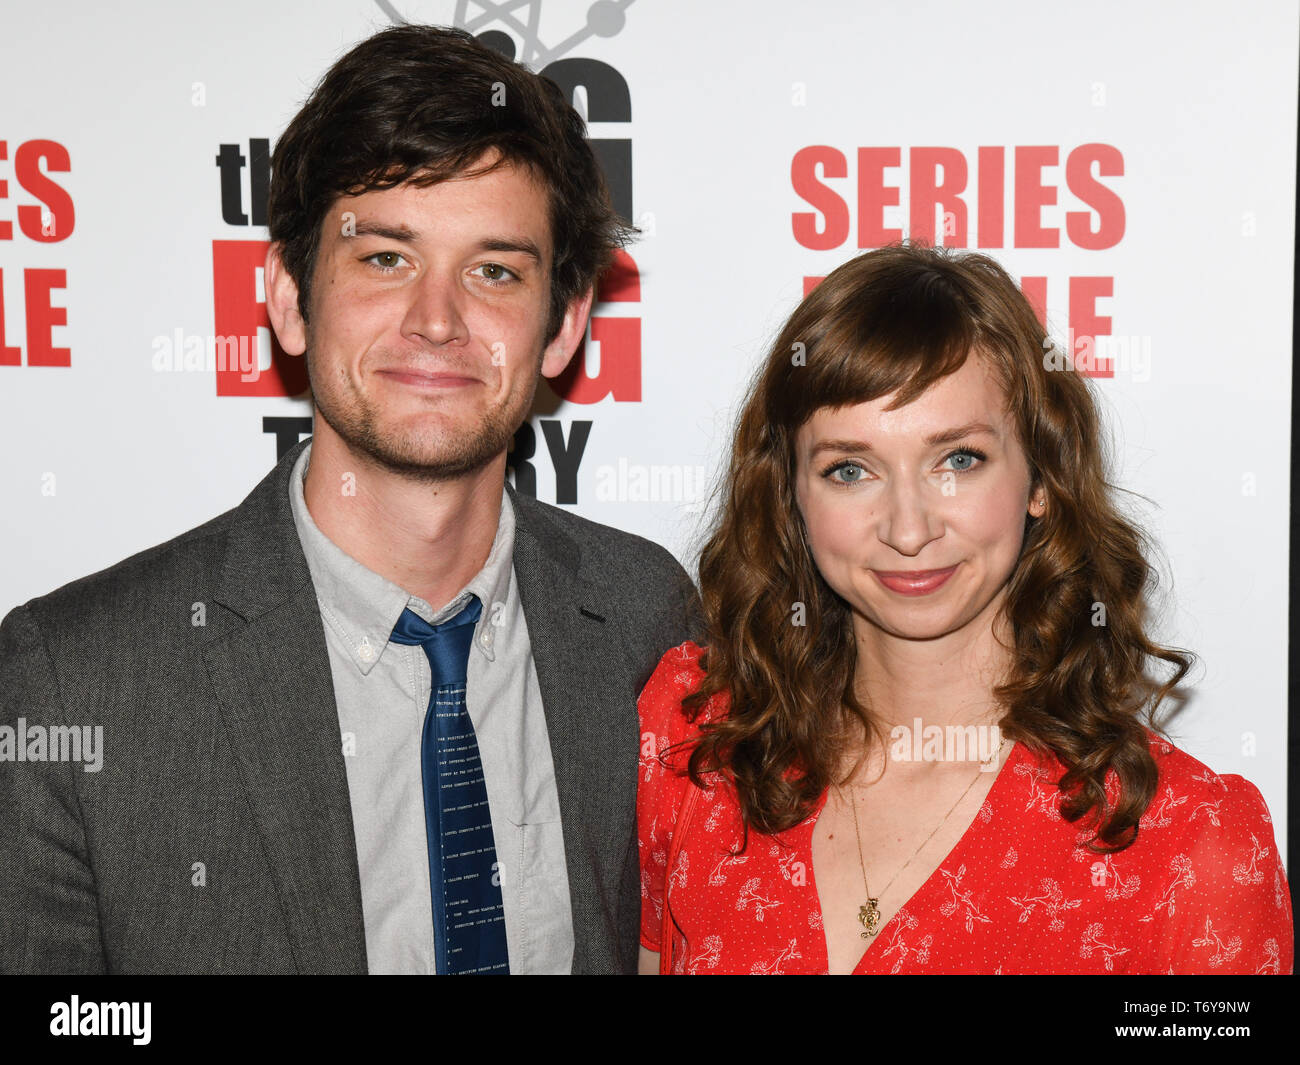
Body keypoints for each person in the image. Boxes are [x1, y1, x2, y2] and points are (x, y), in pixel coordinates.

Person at [0, 25, 699, 975]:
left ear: (565, 325)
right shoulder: (73, 681)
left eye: (495, 269)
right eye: (385, 258)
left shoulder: (644, 617)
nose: (437, 319)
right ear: (289, 296)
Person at [637, 242, 1292, 975]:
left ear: (1042, 477)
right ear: (789, 492)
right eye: (849, 469)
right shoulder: (693, 743)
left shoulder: (1190, 844)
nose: (909, 528)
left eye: (958, 459)